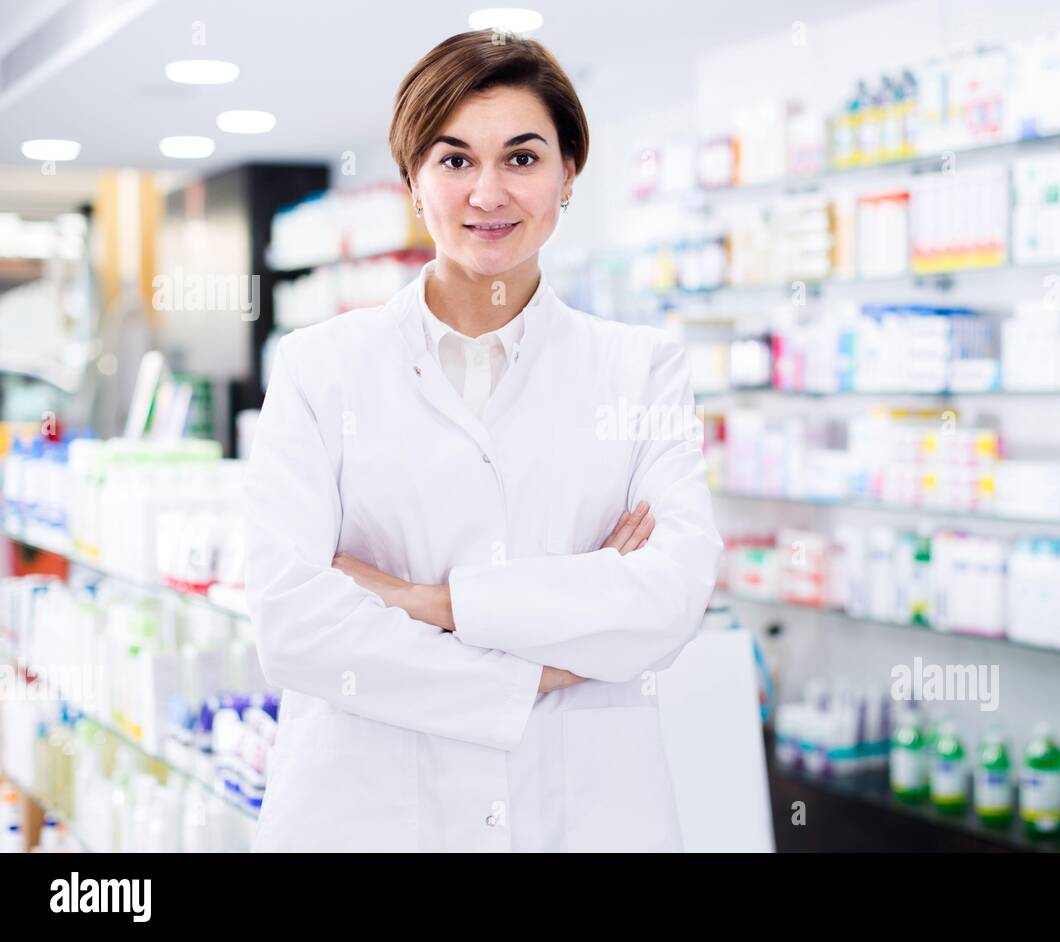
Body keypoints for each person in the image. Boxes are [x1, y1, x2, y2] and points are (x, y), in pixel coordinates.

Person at [242, 29, 723, 852]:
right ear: (412, 180)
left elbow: (670, 599)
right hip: (369, 812)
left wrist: (427, 603)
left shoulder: (641, 369)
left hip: (583, 812)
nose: (488, 192)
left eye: (523, 158)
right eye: (455, 159)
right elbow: (293, 627)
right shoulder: (321, 367)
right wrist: (545, 665)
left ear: (569, 174)